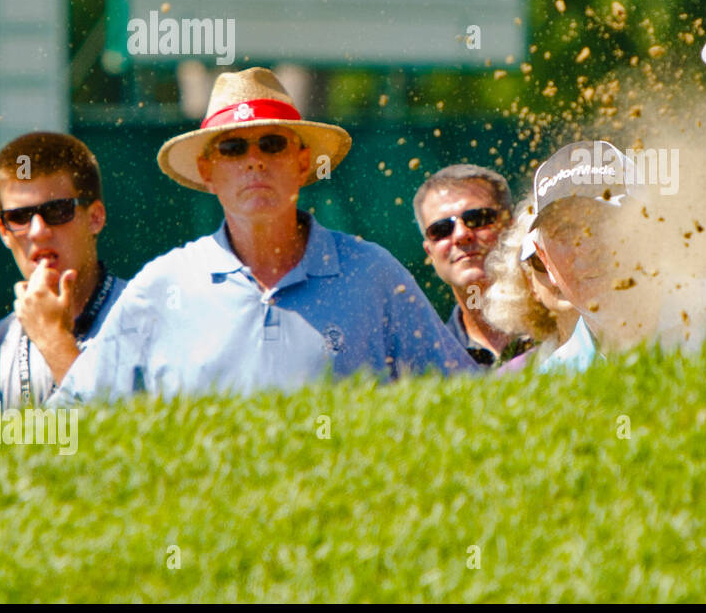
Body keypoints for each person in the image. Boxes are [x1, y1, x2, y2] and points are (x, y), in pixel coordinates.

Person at [50, 67, 474, 405]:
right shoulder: (162, 287)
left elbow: (463, 401)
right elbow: (77, 412)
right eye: (233, 148)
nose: (254, 161)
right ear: (207, 170)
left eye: (272, 144)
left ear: (303, 163)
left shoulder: (374, 274)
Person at [526, 140, 706, 372]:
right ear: (544, 258)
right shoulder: (555, 382)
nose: (585, 246)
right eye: (564, 231)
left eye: (603, 222)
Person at [0, 133, 127, 412]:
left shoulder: (149, 317)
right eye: (18, 218)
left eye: (57, 211)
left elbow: (142, 443)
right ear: (3, 231)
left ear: (95, 218)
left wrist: (54, 342)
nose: (38, 232)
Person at [414, 163, 531, 365]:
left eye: (477, 218)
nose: (461, 235)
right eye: (441, 229)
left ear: (511, 227)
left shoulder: (565, 328)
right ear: (429, 253)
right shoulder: (429, 363)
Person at [478, 198, 580, 371]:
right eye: (541, 260)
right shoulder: (513, 378)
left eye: (570, 251)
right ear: (528, 282)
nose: (557, 272)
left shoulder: (638, 348)